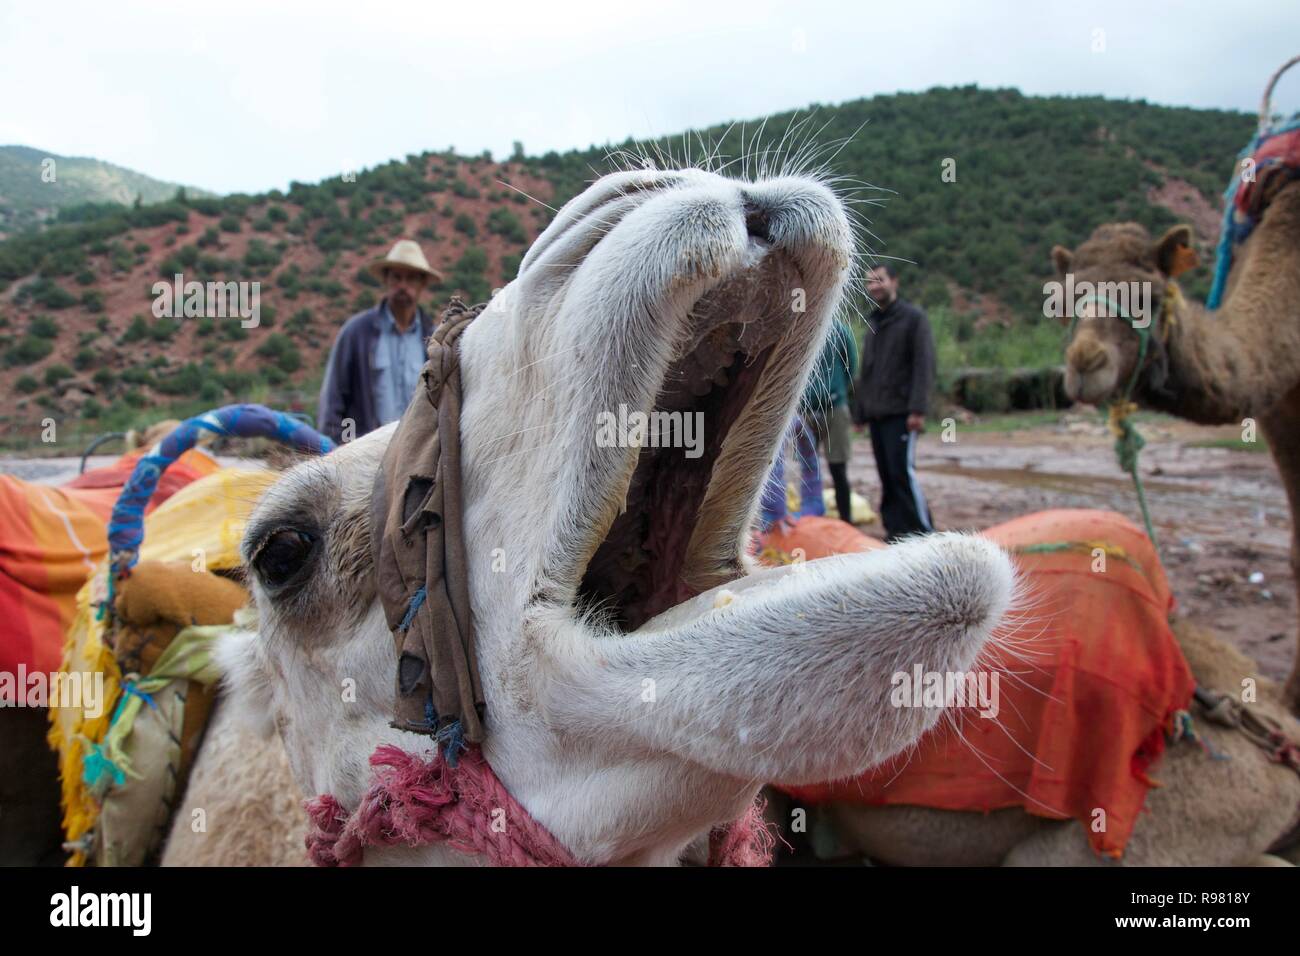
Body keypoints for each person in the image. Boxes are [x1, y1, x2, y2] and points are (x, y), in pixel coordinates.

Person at [316, 239, 443, 443]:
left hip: (416, 456)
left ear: (423, 284)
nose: (403, 286)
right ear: (386, 280)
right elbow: (333, 401)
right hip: (364, 456)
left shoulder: (435, 340)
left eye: (411, 279)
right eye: (396, 277)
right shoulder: (356, 334)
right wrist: (333, 451)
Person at [853, 264, 935, 540]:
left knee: (902, 473)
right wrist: (860, 412)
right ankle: (896, 532)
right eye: (870, 283)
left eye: (880, 280)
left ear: (894, 282)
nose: (875, 286)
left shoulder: (914, 319)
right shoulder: (872, 323)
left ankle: (923, 531)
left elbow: (924, 365)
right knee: (886, 475)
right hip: (876, 413)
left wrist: (918, 409)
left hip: (902, 412)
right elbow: (867, 371)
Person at [801, 318, 858, 522]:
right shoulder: (799, 327)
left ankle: (846, 520)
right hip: (805, 410)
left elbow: (851, 367)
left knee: (838, 467)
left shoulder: (840, 330)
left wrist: (836, 390)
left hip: (835, 408)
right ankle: (810, 519)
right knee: (808, 469)